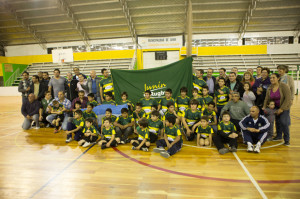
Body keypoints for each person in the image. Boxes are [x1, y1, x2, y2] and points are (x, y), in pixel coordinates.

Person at [263, 73, 292, 145]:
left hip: (284, 107)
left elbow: (288, 98)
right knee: (277, 122)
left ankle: (287, 139)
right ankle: (279, 136)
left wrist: (282, 109)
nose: (272, 79)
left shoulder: (284, 86)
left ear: (278, 78)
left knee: (283, 122)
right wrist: (264, 107)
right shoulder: (270, 87)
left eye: (273, 78)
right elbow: (267, 98)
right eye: (271, 78)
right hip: (275, 107)